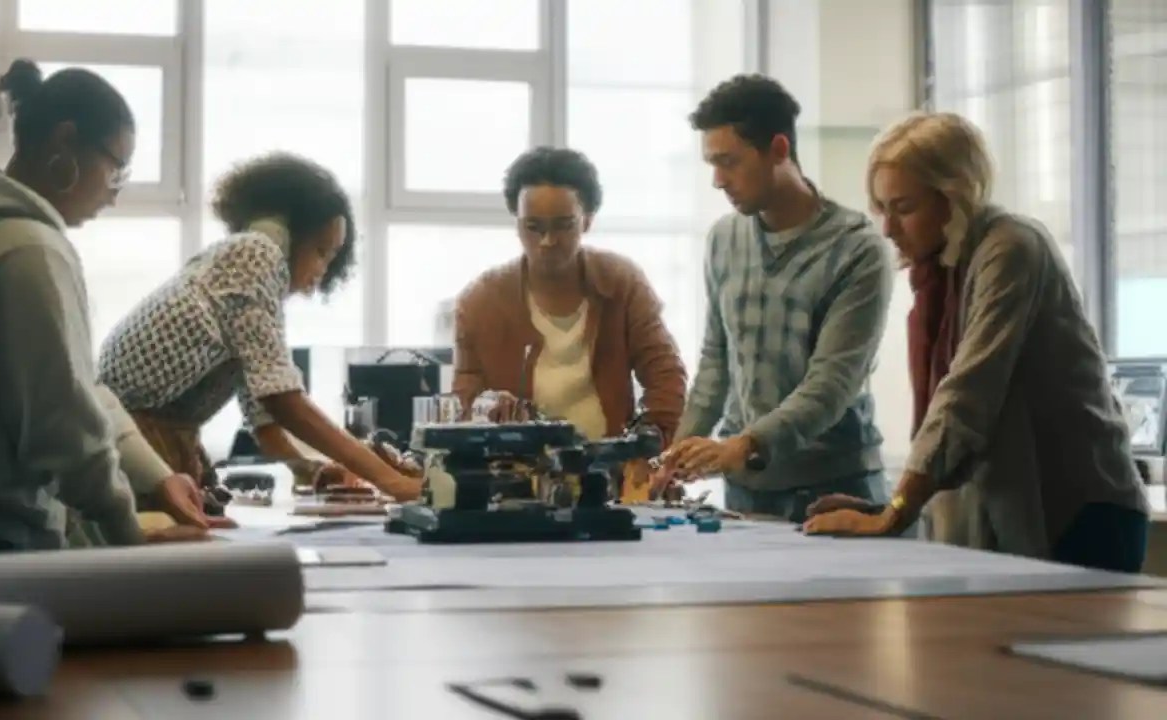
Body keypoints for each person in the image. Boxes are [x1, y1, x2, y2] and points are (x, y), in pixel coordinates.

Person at [0, 59, 210, 557]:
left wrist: (159, 477)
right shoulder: (29, 250)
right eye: (116, 167)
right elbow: (62, 425)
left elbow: (80, 384)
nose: (114, 193)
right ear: (66, 143)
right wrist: (128, 536)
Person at [804, 112, 1150, 572]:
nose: (887, 229)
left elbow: (967, 394)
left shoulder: (1011, 248)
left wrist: (897, 511)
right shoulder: (940, 276)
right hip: (1011, 514)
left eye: (903, 208)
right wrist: (895, 506)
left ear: (955, 197)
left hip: (1077, 515)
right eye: (881, 208)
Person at [98, 152, 421, 501]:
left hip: (148, 442)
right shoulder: (256, 253)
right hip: (132, 446)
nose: (322, 272)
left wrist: (309, 467)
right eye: (321, 251)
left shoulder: (244, 280)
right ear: (290, 232)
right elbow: (284, 402)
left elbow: (265, 421)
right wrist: (391, 482)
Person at [656, 74, 893, 521]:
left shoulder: (858, 249)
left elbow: (831, 386)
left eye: (729, 161)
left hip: (836, 491)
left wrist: (744, 445)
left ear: (780, 150)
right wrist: (678, 455)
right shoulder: (724, 239)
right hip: (746, 493)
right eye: (711, 163)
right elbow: (716, 360)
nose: (717, 180)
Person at [452, 147, 687, 500]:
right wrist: (486, 405)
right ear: (516, 221)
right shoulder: (480, 301)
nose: (547, 242)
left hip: (610, 481)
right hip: (516, 487)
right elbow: (463, 401)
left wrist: (646, 453)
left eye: (563, 226)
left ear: (587, 219)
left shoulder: (621, 283)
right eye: (533, 228)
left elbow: (666, 376)